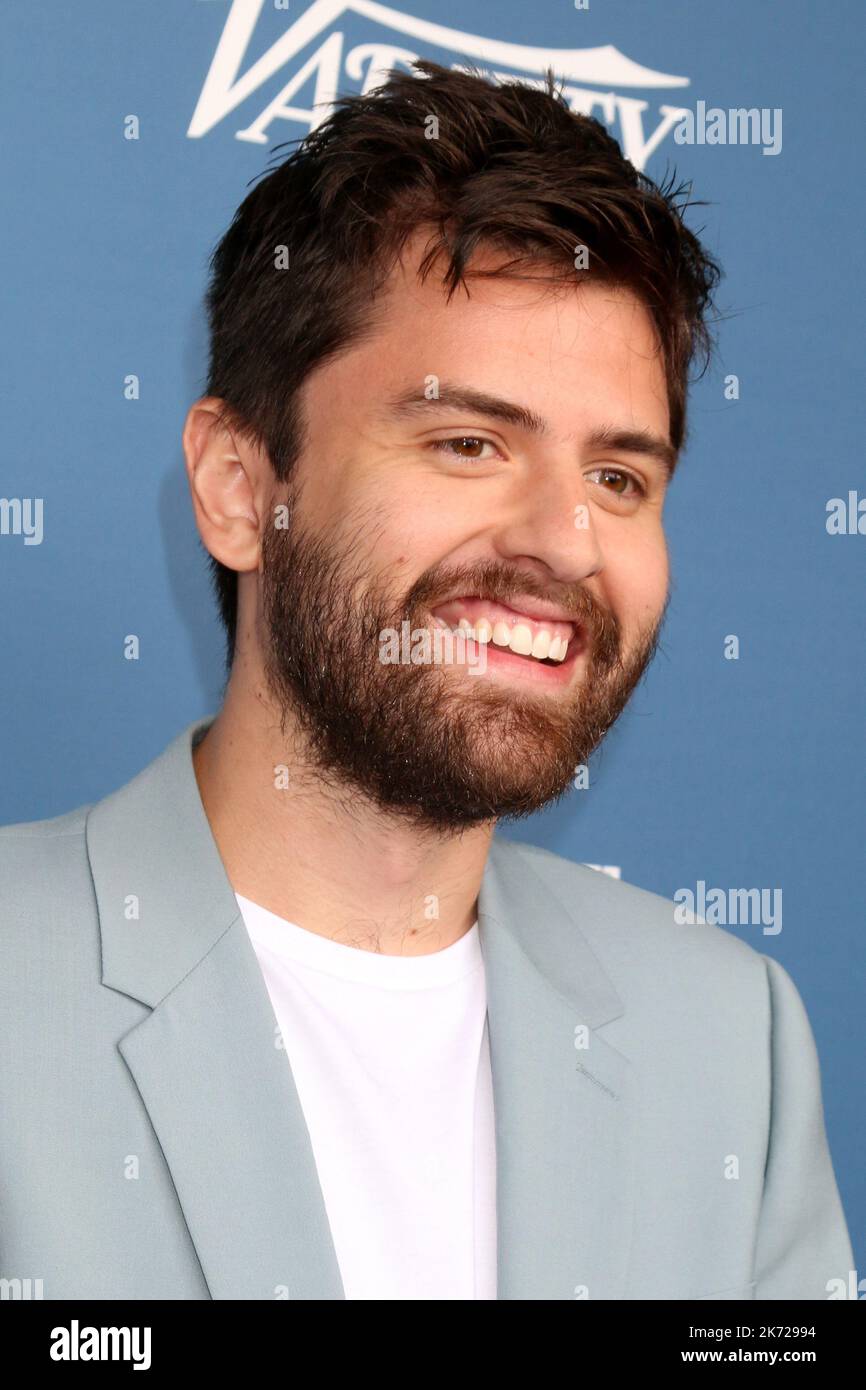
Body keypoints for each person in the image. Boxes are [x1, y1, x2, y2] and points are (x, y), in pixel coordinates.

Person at [0, 61, 853, 1301]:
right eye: (468, 443)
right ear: (241, 488)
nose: (564, 540)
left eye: (619, 477)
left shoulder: (732, 1041)